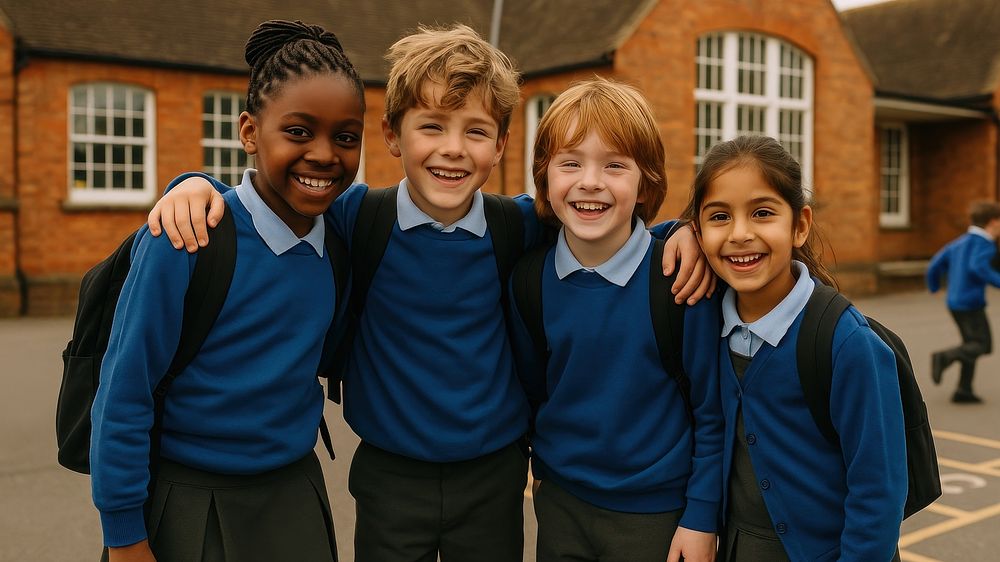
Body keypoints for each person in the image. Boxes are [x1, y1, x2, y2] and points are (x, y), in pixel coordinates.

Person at [144, 25, 711, 561]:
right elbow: (275, 194)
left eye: (477, 131)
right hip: (390, 475)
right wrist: (193, 185)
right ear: (392, 136)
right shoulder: (357, 217)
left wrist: (679, 231)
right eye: (432, 126)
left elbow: (602, 223)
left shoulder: (517, 227)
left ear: (501, 145)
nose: (454, 149)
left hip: (494, 475)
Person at [89, 20, 363, 562]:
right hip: (190, 502)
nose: (325, 155)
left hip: (295, 497)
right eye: (299, 132)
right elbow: (123, 392)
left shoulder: (344, 236)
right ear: (248, 132)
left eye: (345, 137)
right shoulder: (187, 238)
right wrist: (123, 535)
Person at [509, 78, 723, 562]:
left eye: (614, 165)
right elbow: (534, 390)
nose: (590, 181)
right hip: (560, 504)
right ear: (543, 177)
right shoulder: (528, 280)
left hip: (658, 516)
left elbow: (712, 413)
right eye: (570, 163)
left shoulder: (679, 281)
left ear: (645, 182)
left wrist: (702, 517)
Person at [685, 135, 907, 561]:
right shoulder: (702, 321)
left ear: (800, 225)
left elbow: (878, 493)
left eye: (763, 213)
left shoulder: (848, 344)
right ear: (698, 231)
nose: (740, 234)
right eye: (719, 217)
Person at [927, 200, 1000, 403]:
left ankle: (964, 390)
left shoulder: (959, 242)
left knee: (971, 343)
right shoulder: (985, 244)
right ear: (993, 222)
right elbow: (978, 267)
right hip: (971, 304)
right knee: (982, 344)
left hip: (955, 302)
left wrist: (934, 286)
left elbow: (935, 264)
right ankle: (945, 357)